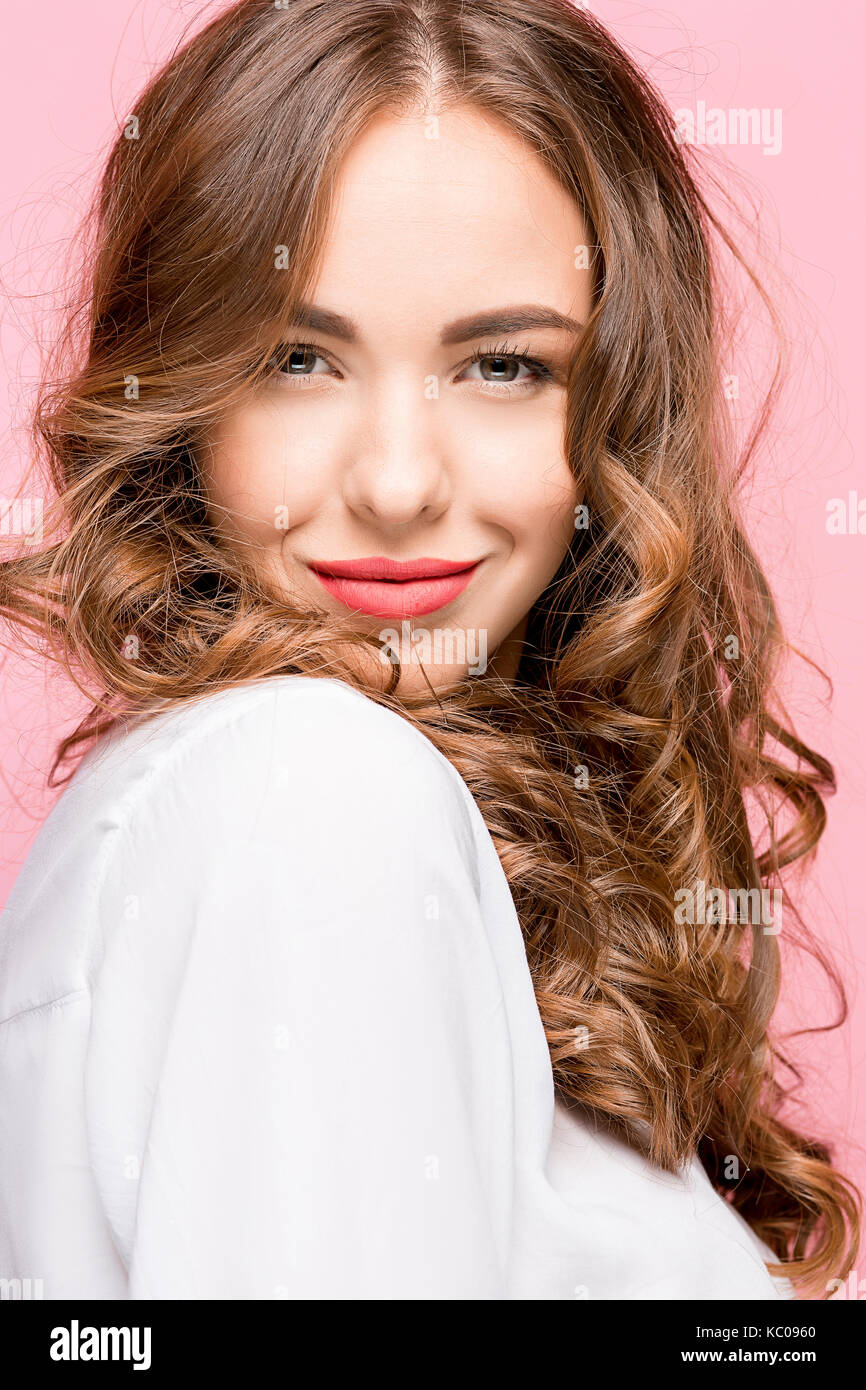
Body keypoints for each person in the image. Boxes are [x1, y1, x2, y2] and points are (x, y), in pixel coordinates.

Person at [0, 0, 858, 1299]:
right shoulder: (312, 786)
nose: (398, 484)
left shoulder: (286, 805)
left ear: (613, 405)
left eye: (501, 366)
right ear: (183, 395)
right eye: (297, 357)